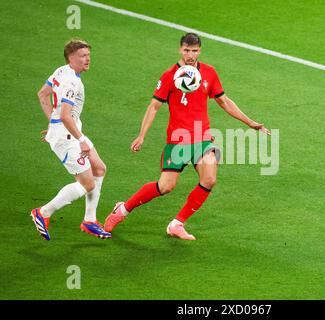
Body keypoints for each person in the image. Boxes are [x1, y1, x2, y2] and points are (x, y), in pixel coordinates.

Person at [104, 33, 270, 240]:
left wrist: (249, 122)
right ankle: (122, 209)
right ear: (180, 50)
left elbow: (224, 101)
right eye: (186, 50)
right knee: (165, 187)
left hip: (202, 138)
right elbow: (154, 107)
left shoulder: (209, 73)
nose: (190, 55)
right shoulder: (169, 76)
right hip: (177, 140)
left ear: (199, 51)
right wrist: (141, 135)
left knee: (209, 179)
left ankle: (177, 223)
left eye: (194, 51)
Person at [31, 38, 111, 240]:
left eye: (89, 55)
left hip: (67, 130)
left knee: (99, 168)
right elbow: (66, 114)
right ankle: (43, 212)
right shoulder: (72, 82)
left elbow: (42, 94)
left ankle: (89, 221)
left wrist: (53, 123)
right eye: (83, 56)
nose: (88, 59)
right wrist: (80, 138)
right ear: (71, 57)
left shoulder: (62, 71)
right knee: (88, 184)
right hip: (68, 137)